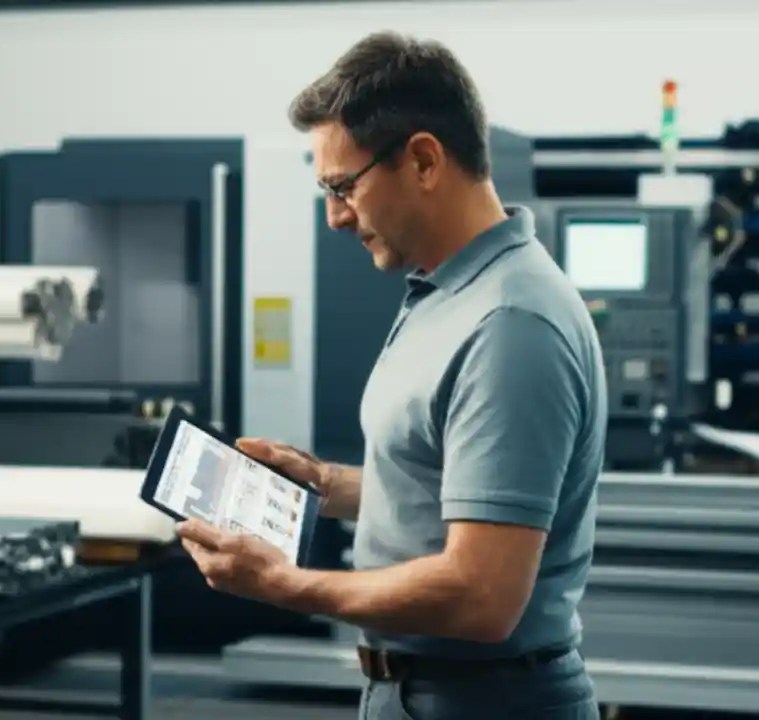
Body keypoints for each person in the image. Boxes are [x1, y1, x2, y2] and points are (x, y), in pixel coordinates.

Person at [176, 30, 607, 720]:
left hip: (485, 703)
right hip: (421, 693)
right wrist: (321, 484)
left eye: (343, 187)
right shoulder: (446, 294)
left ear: (425, 161)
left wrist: (286, 585)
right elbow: (449, 488)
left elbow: (481, 595)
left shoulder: (510, 322)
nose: (335, 217)